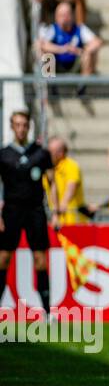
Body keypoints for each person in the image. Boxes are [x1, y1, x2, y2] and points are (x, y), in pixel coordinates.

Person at [0, 112, 55, 312]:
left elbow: (51, 181)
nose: (21, 128)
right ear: (12, 126)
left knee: (40, 260)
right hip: (12, 210)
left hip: (35, 210)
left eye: (24, 124)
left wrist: (55, 211)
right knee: (3, 259)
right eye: (17, 125)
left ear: (29, 126)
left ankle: (48, 312)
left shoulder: (40, 153)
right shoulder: (4, 154)